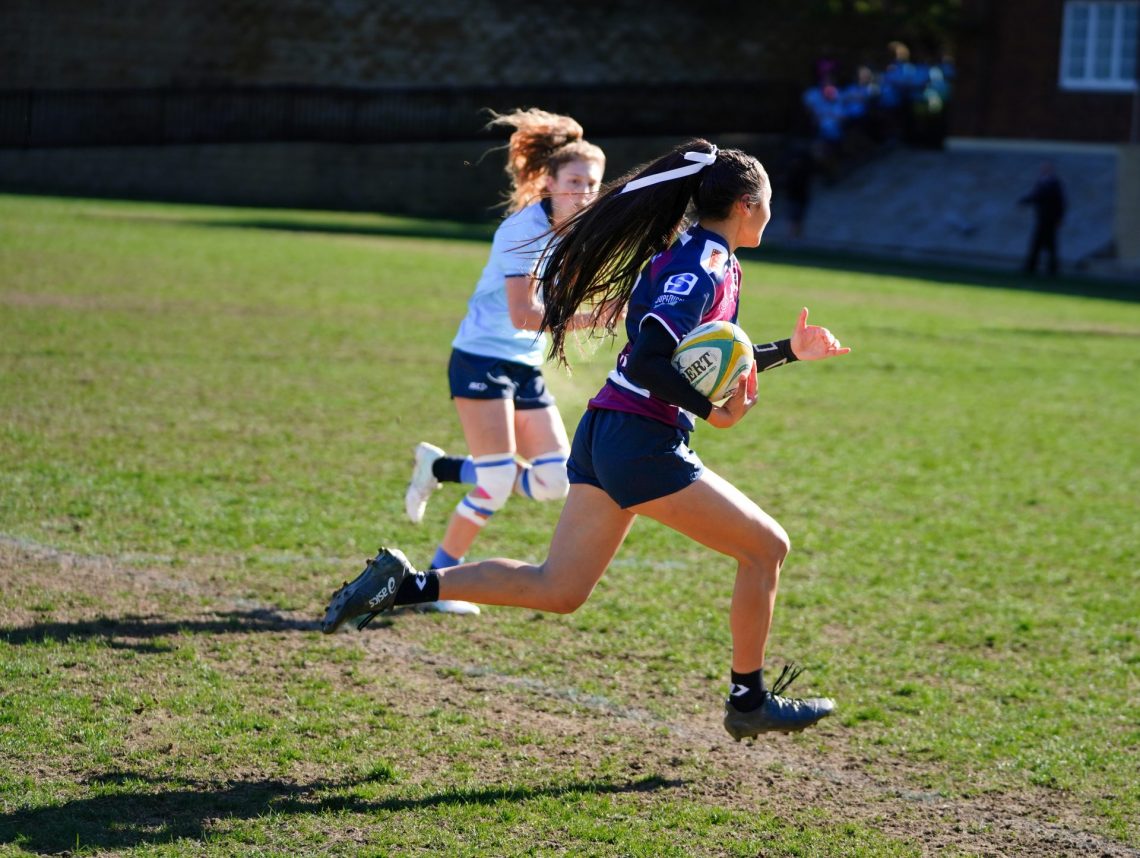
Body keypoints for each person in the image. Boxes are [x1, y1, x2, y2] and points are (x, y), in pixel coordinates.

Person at [323, 139, 851, 741]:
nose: (772, 216)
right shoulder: (700, 266)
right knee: (766, 548)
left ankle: (403, 585)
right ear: (746, 205)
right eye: (770, 203)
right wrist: (714, 414)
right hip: (641, 441)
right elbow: (652, 360)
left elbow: (704, 357)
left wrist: (789, 351)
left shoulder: (711, 259)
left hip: (612, 429)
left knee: (558, 587)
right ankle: (748, 701)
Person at [402, 109, 607, 614]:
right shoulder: (524, 229)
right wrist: (591, 317)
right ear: (550, 182)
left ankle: (442, 467)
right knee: (494, 482)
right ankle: (437, 580)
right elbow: (523, 315)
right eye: (574, 182)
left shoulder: (574, 230)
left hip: (523, 365)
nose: (584, 192)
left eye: (592, 184)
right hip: (481, 359)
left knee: (555, 480)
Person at [1019, 161, 1066, 276]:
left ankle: (1049, 268)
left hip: (1049, 220)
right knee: (1040, 244)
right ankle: (1033, 266)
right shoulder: (1042, 182)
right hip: (1042, 218)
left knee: (1047, 245)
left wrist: (1059, 218)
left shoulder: (1054, 184)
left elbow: (1055, 201)